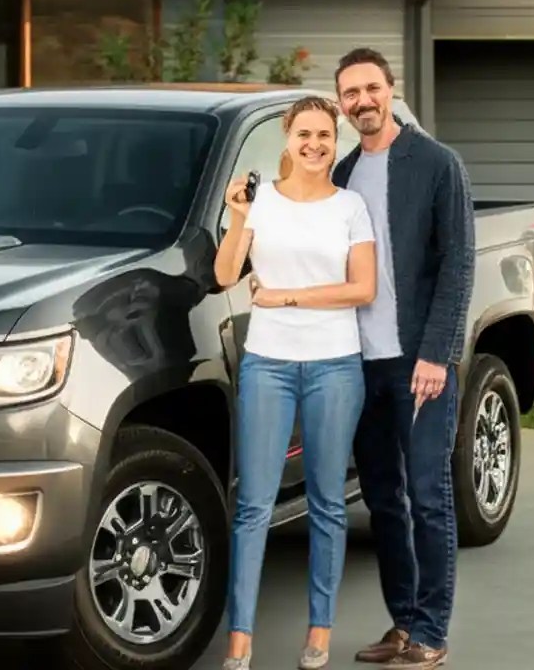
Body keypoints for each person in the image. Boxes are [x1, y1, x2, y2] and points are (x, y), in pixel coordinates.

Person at [214, 96, 379, 670]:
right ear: (286, 138)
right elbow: (224, 272)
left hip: (336, 364)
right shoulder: (261, 206)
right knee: (254, 505)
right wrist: (238, 218)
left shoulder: (351, 207)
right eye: (305, 133)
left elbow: (362, 289)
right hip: (268, 364)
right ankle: (240, 639)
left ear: (336, 142)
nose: (315, 144)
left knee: (328, 504)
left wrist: (288, 296)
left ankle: (319, 632)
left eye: (325, 136)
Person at [331, 48, 475, 670]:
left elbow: (458, 263)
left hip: (419, 364)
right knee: (383, 499)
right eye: (349, 93)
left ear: (390, 89)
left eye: (370, 88)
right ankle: (402, 624)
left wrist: (436, 355)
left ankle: (432, 633)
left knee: (428, 494)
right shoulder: (339, 175)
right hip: (361, 366)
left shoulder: (437, 163)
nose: (361, 101)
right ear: (341, 104)